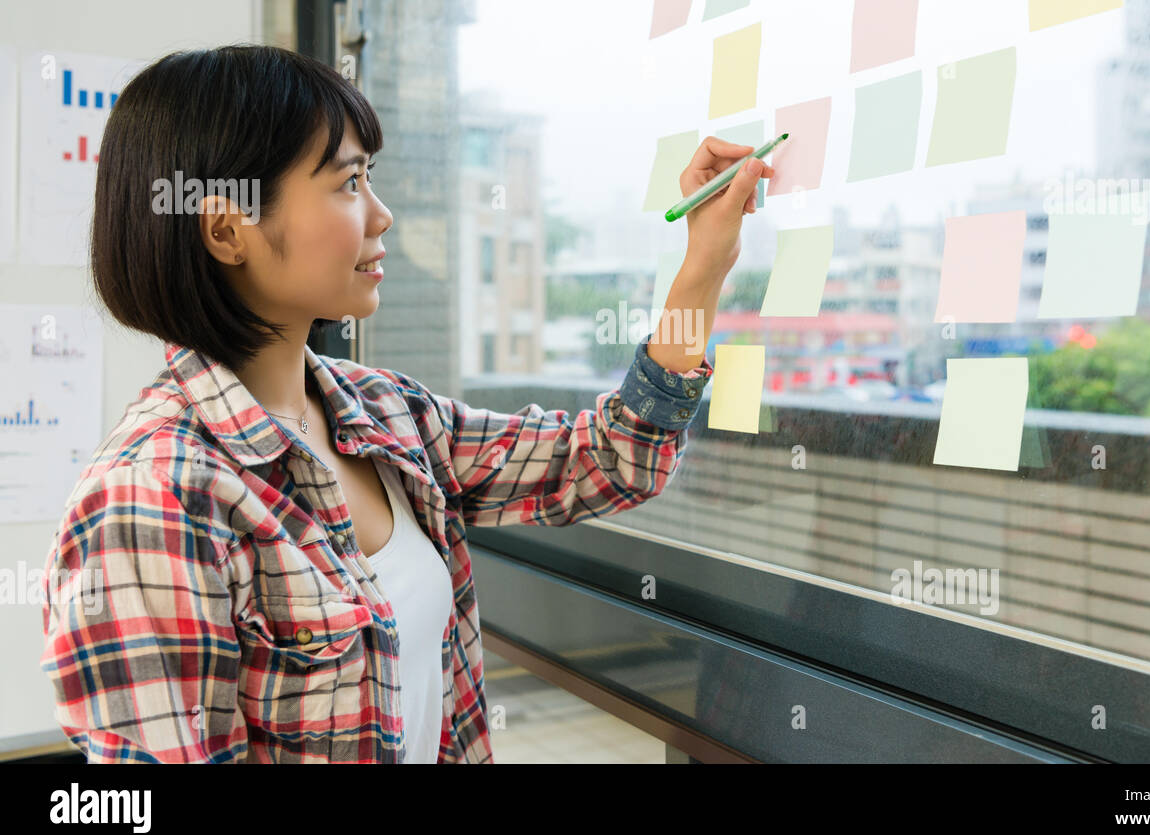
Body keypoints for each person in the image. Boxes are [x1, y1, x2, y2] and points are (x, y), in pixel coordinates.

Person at [37, 44, 773, 763]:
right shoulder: (151, 497)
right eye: (348, 182)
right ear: (229, 229)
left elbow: (610, 459)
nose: (382, 215)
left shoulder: (384, 411)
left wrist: (704, 263)